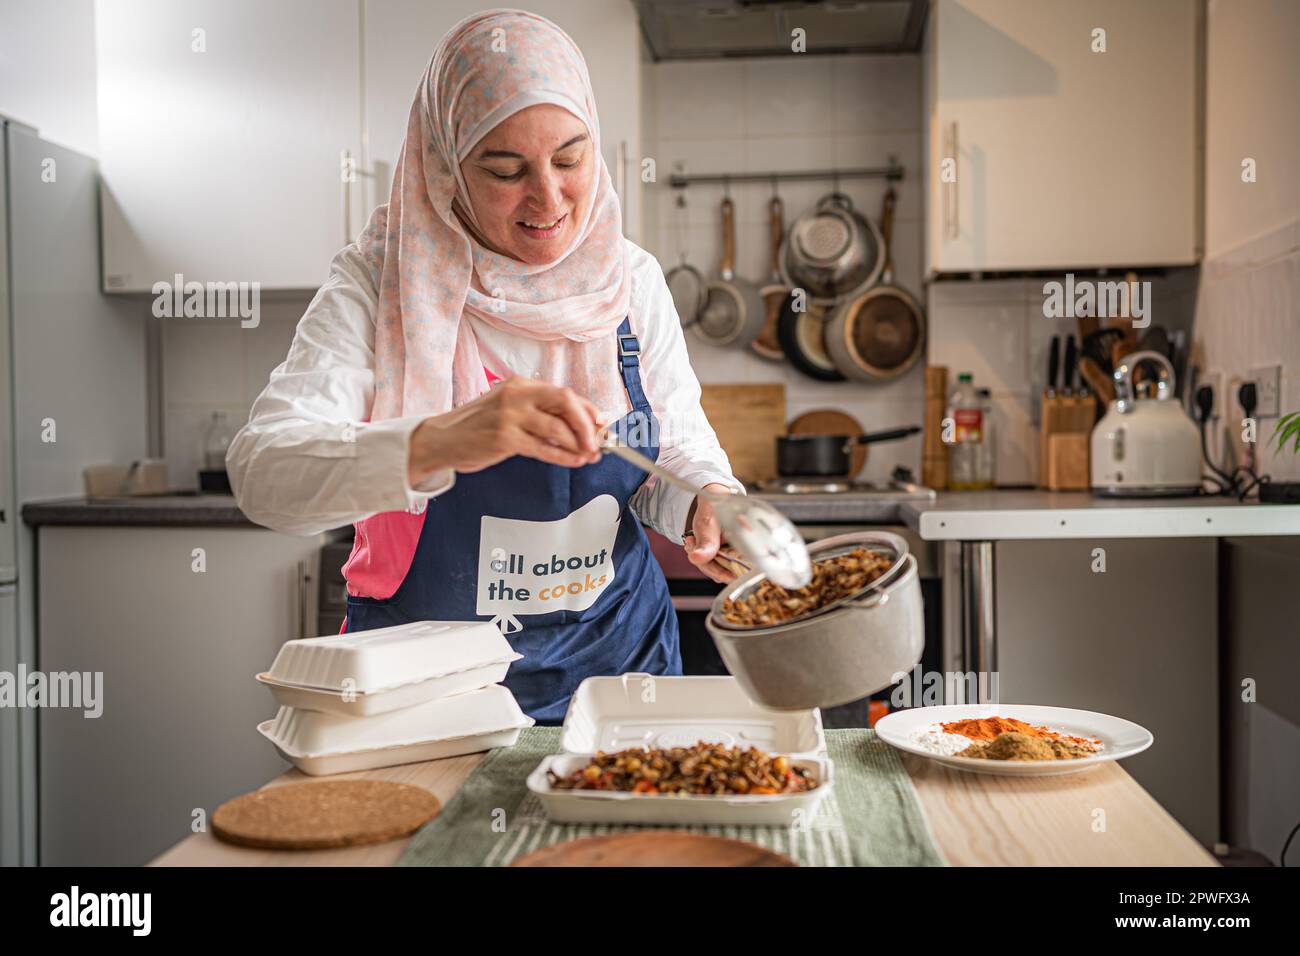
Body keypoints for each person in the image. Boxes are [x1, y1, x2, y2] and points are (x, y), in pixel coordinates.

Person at [227, 9, 743, 723]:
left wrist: (705, 497)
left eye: (570, 159)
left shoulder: (629, 279)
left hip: (620, 683)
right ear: (445, 168)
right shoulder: (380, 287)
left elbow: (671, 444)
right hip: (427, 700)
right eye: (506, 171)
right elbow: (262, 474)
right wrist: (439, 441)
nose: (551, 198)